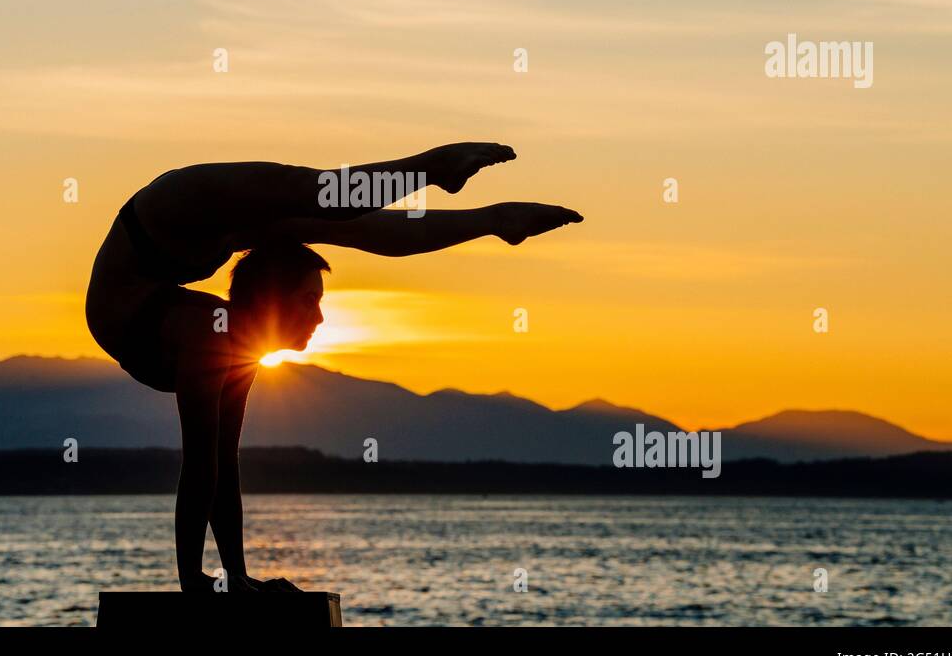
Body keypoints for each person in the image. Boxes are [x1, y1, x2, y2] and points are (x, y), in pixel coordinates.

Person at [84, 143, 582, 592]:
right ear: (275, 302)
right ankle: (432, 169)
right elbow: (199, 467)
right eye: (308, 301)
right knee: (319, 194)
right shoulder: (208, 339)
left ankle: (492, 219)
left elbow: (223, 465)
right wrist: (194, 582)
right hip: (173, 213)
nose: (320, 317)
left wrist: (235, 575)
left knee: (353, 225)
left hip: (178, 240)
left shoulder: (231, 343)